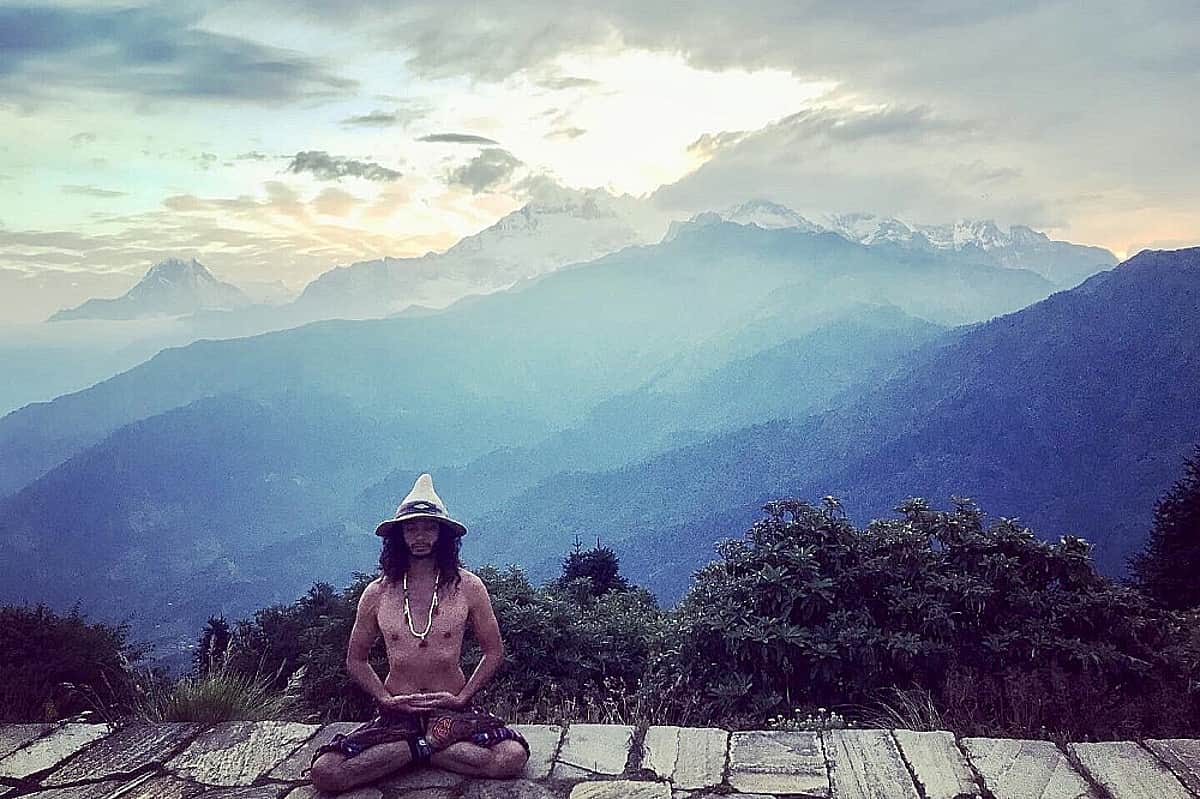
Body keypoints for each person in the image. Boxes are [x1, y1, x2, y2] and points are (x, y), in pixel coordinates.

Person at [309, 474, 529, 794]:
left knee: (511, 757)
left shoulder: (468, 587)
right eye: (411, 528)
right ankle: (425, 749)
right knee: (326, 772)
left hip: (454, 711)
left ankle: (413, 752)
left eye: (428, 527)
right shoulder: (377, 593)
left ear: (442, 534)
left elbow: (494, 650)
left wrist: (462, 697)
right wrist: (385, 698)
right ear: (399, 536)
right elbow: (356, 659)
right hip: (397, 713)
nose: (420, 536)